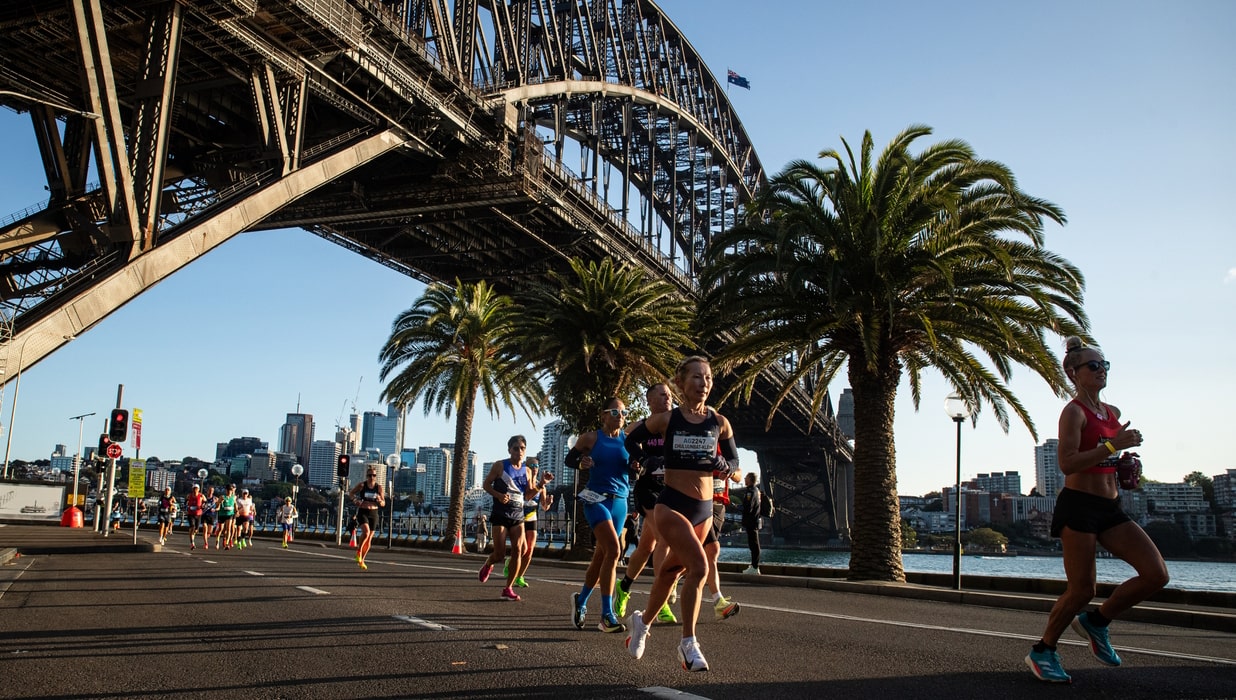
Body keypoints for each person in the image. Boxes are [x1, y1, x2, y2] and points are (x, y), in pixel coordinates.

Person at [1024, 336, 1168, 684]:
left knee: (1156, 574)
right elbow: (1067, 463)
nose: (1101, 370)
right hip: (1079, 507)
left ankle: (1097, 622)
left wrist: (1125, 461)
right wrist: (1111, 445)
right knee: (1082, 589)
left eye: (1104, 365)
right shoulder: (1073, 412)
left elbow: (1107, 457)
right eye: (1093, 365)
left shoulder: (1112, 413)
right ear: (1073, 373)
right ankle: (1043, 650)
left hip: (1111, 506)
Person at [623, 355, 740, 672]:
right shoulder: (667, 420)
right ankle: (688, 644)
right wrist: (645, 460)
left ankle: (642, 623)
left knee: (669, 574)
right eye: (697, 378)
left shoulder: (719, 422)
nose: (704, 383)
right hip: (671, 504)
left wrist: (725, 467)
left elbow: (734, 462)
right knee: (700, 568)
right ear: (681, 383)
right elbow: (631, 441)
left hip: (703, 511)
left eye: (709, 378)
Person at [566, 399, 633, 633]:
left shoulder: (629, 440)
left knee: (601, 557)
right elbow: (570, 460)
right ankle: (607, 615)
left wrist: (638, 467)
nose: (620, 415)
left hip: (621, 503)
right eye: (615, 411)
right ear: (604, 415)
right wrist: (582, 464)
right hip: (596, 499)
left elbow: (637, 466)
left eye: (624, 412)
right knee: (614, 551)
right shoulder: (591, 438)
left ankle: (581, 600)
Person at [614, 382, 678, 624]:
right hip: (648, 490)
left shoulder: (676, 424)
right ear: (650, 400)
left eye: (670, 395)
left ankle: (624, 586)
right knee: (665, 537)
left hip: (670, 489)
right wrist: (638, 460)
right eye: (662, 395)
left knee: (646, 547)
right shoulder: (641, 426)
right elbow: (622, 443)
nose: (667, 399)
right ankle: (663, 597)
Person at [479, 435, 549, 600]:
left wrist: (541, 484)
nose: (519, 451)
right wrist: (498, 495)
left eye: (522, 448)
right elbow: (486, 484)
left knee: (520, 550)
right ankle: (489, 563)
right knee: (500, 554)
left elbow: (528, 495)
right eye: (516, 448)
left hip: (518, 515)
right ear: (509, 450)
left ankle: (508, 588)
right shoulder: (500, 466)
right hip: (500, 514)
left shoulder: (527, 471)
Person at [509, 458, 553, 588]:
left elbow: (544, 507)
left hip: (532, 517)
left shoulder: (542, 487)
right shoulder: (522, 483)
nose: (535, 467)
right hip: (520, 516)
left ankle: (520, 576)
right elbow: (526, 497)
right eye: (532, 465)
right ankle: (509, 563)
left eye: (537, 465)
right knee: (523, 549)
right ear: (526, 468)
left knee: (530, 550)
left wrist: (548, 503)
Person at [349, 467, 385, 570]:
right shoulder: (362, 485)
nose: (371, 477)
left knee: (369, 539)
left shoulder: (379, 488)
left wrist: (379, 500)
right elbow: (351, 493)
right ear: (367, 476)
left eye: (374, 475)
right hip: (363, 511)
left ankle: (362, 560)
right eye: (370, 475)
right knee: (366, 532)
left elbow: (383, 503)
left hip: (374, 512)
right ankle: (359, 551)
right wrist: (355, 500)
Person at [740, 472, 762, 575]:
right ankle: (754, 565)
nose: (744, 479)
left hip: (751, 521)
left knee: (753, 544)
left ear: (750, 479)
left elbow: (748, 507)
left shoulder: (750, 491)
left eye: (746, 477)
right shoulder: (757, 490)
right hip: (755, 521)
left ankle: (754, 567)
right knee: (754, 544)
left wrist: (739, 508)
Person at [185, 484, 206, 551]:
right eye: (194, 488)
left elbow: (205, 502)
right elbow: (185, 503)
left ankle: (192, 534)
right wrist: (187, 507)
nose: (195, 490)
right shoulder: (189, 496)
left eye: (196, 488)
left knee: (196, 530)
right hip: (190, 514)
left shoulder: (201, 496)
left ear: (198, 489)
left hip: (198, 514)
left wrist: (203, 505)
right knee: (192, 527)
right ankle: (192, 543)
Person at [218, 484, 238, 549]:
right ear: (226, 490)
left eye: (231, 490)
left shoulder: (234, 497)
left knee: (229, 528)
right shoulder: (222, 497)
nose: (229, 491)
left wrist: (237, 511)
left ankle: (227, 543)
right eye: (228, 490)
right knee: (222, 529)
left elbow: (235, 504)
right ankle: (219, 539)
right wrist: (220, 501)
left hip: (230, 514)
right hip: (222, 514)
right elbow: (217, 504)